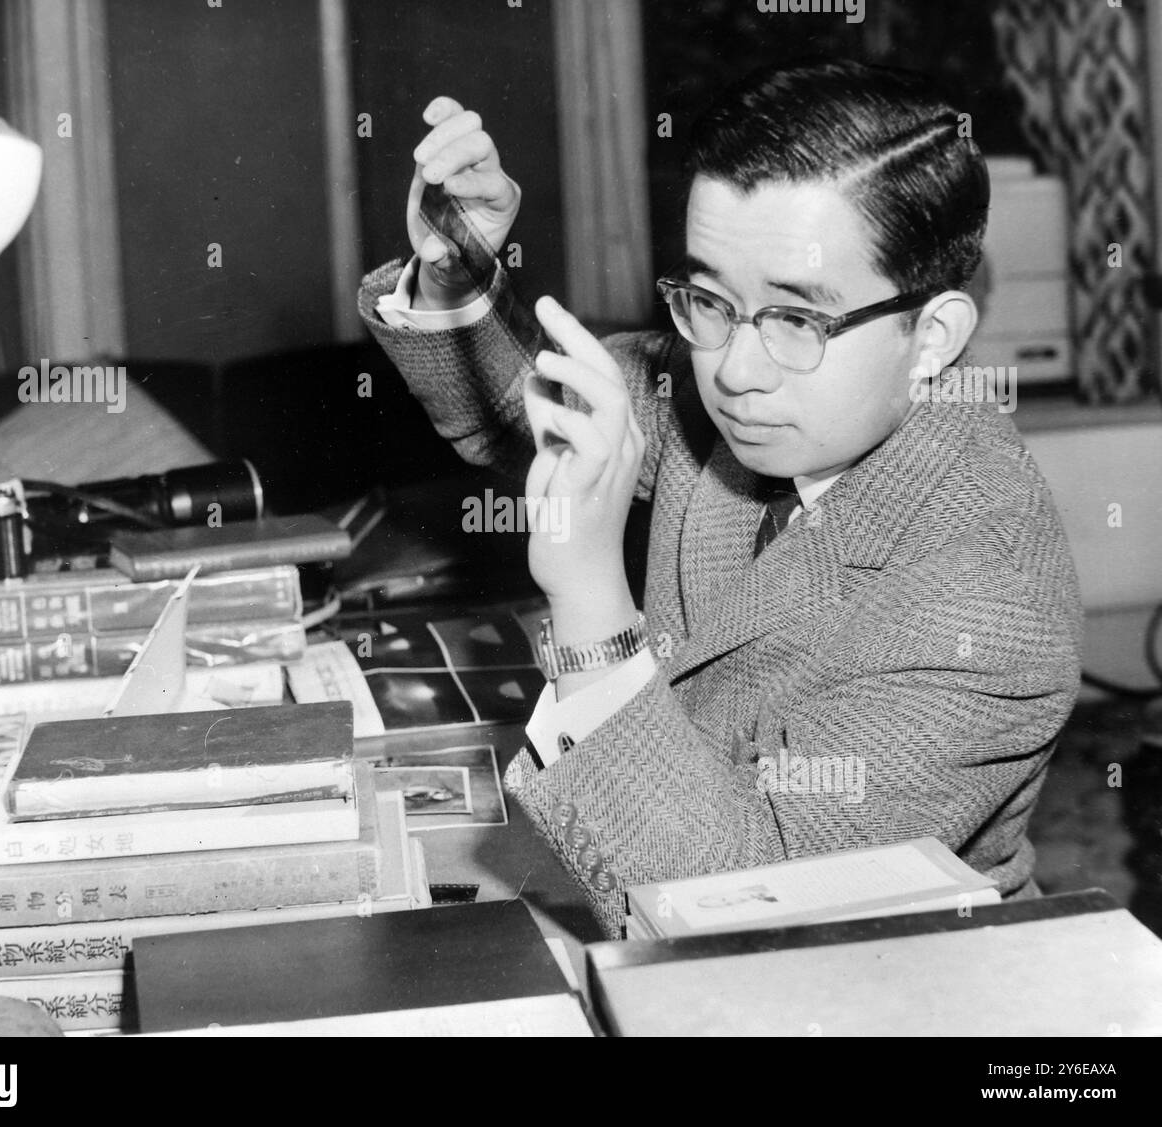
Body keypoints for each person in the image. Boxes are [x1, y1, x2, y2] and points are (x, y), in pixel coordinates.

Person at [357, 58, 1083, 937]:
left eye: (797, 319)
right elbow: (523, 416)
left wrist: (591, 600)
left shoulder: (989, 597)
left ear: (931, 337)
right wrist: (457, 273)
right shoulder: (738, 395)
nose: (733, 371)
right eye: (710, 298)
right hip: (648, 877)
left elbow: (740, 906)